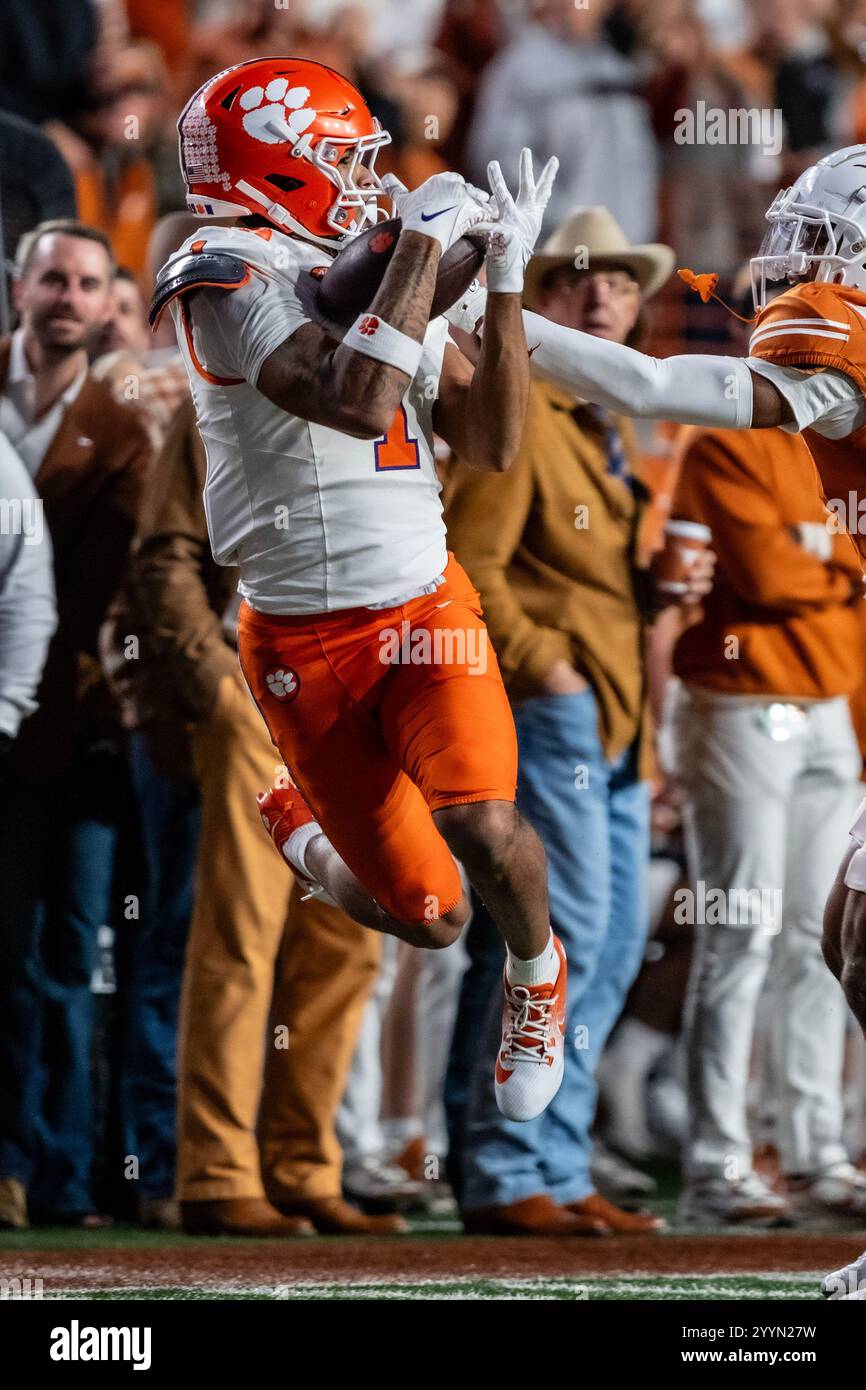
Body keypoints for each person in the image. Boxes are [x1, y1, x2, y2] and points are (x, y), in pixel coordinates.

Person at [152, 56, 565, 1125]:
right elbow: (345, 397)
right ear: (276, 166)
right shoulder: (221, 264)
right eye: (339, 157)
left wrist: (507, 283)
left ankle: (534, 977)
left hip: (423, 608)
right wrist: (419, 252)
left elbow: (494, 442)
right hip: (294, 639)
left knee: (480, 822)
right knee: (426, 914)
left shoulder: (363, 267)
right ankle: (299, 823)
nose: (364, 179)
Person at [443, 207, 705, 1237]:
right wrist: (545, 671)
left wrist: (652, 589)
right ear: (538, 298)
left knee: (591, 949)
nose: (598, 296)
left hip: (613, 713)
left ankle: (556, 1154)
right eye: (573, 279)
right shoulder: (525, 413)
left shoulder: (601, 424)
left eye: (619, 284)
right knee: (556, 936)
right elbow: (470, 567)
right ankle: (508, 1168)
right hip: (561, 710)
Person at [654, 400, 866, 1227]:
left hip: (825, 709)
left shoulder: (835, 445)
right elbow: (772, 577)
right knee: (738, 930)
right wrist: (841, 564)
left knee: (826, 938)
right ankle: (717, 1163)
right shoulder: (726, 436)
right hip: (737, 704)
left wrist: (819, 557)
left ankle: (814, 1155)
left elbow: (796, 565)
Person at [0, 219, 149, 1228]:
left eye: (87, 283)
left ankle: (55, 1170)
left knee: (68, 955)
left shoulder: (128, 421)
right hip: (13, 709)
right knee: (14, 954)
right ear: (20, 286)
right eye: (53, 276)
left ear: (105, 306)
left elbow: (130, 587)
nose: (67, 295)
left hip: (82, 721)